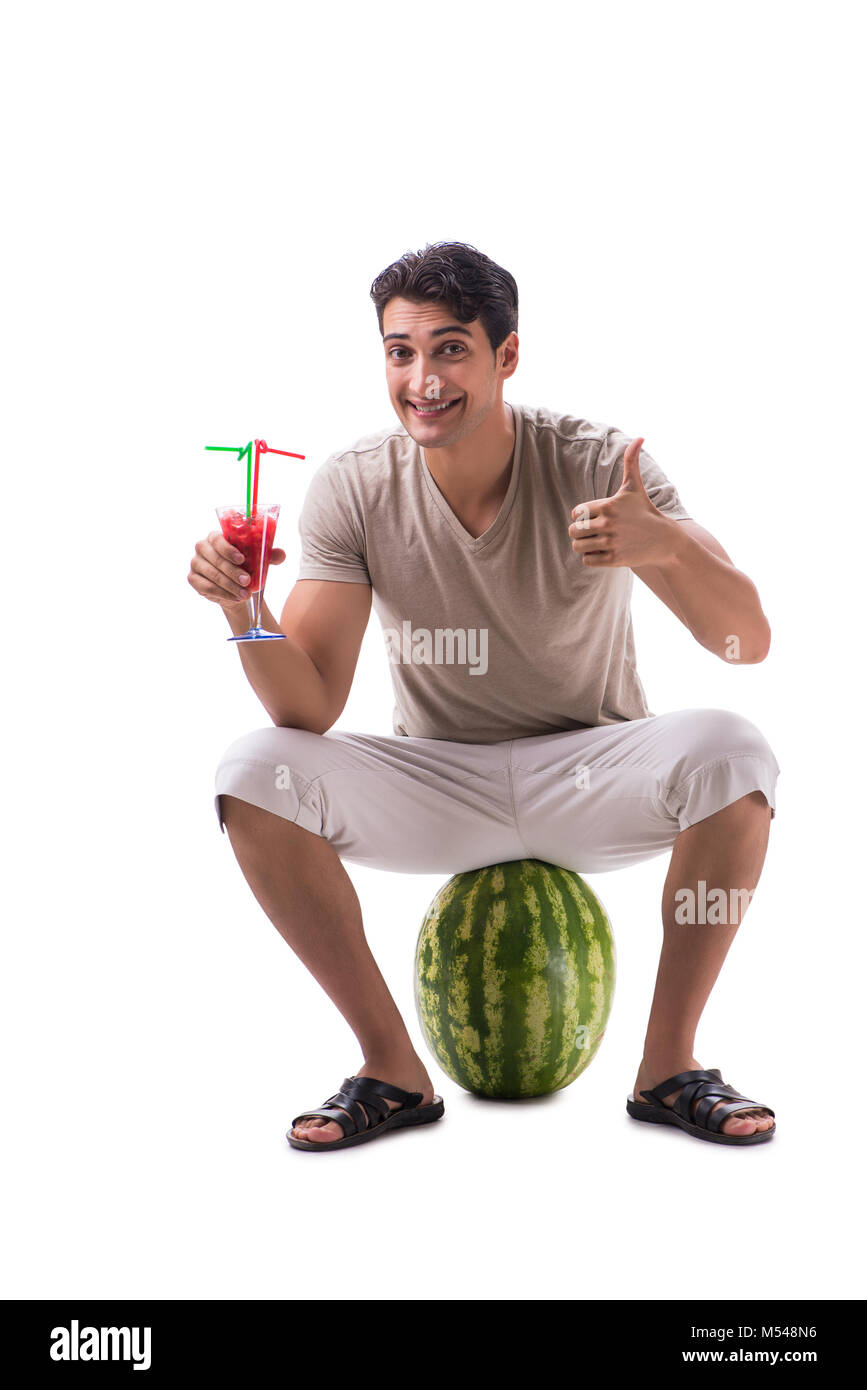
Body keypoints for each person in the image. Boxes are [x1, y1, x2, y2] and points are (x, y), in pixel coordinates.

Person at [188, 241, 780, 1151]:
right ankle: (390, 1067)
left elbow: (745, 641)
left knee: (732, 749)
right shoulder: (351, 486)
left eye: (449, 348)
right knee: (251, 769)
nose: (421, 379)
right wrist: (244, 608)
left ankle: (669, 1066)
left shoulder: (596, 463)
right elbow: (305, 712)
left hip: (590, 772)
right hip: (439, 782)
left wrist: (660, 544)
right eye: (399, 351)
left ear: (506, 355)